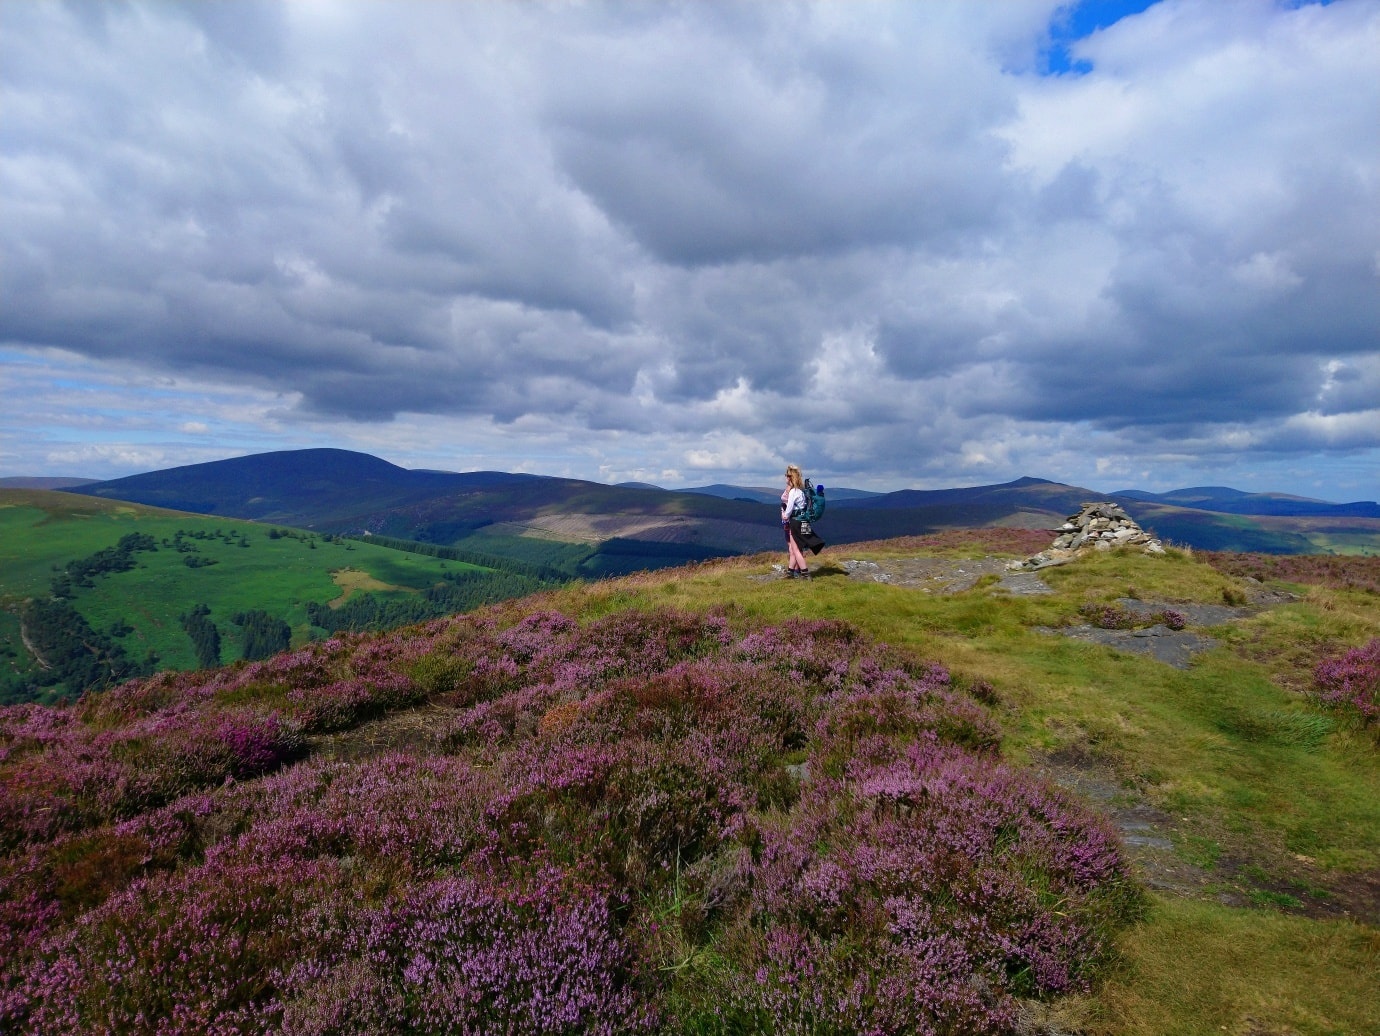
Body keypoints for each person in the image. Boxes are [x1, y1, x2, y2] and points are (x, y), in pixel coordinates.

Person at [780, 465, 810, 577]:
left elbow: (789, 510)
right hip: (804, 521)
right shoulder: (801, 492)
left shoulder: (793, 492)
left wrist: (784, 516)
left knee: (796, 549)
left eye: (787, 476)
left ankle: (805, 573)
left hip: (795, 522)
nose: (785, 478)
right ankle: (790, 572)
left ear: (790, 477)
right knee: (795, 548)